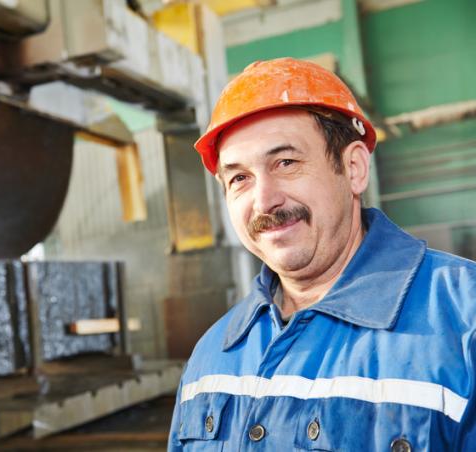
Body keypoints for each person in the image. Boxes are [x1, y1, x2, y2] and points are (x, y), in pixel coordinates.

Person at [168, 57, 476, 451]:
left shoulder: (463, 323)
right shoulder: (211, 356)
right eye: (239, 178)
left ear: (353, 169)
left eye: (286, 162)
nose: (264, 200)